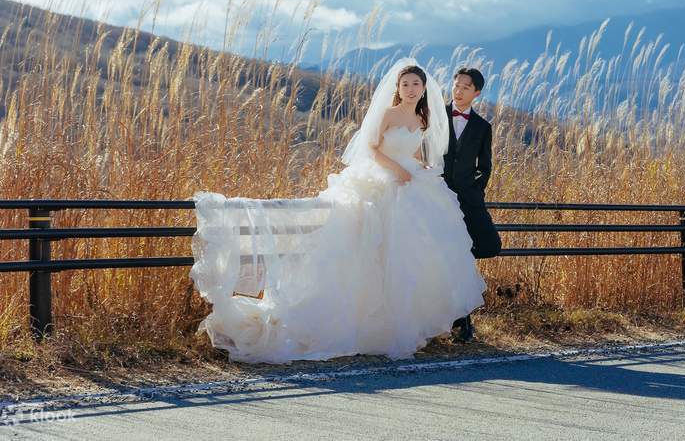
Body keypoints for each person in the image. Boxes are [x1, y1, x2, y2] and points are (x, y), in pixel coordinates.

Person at [189, 61, 485, 364]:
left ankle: (405, 320)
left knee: (412, 252)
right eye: (406, 84)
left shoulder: (423, 116)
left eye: (416, 85)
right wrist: (397, 169)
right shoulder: (388, 113)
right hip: (383, 178)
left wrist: (417, 165)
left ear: (424, 89)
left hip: (409, 179)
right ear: (398, 88)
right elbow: (372, 149)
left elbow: (414, 149)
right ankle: (361, 320)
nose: (411, 90)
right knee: (372, 246)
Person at [443, 66, 501, 343]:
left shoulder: (482, 127)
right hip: (436, 198)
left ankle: (460, 318)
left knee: (488, 246)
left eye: (466, 87)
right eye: (456, 85)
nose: (459, 90)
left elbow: (485, 167)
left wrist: (474, 191)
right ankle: (461, 321)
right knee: (449, 254)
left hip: (467, 201)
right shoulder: (433, 117)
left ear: (476, 93)